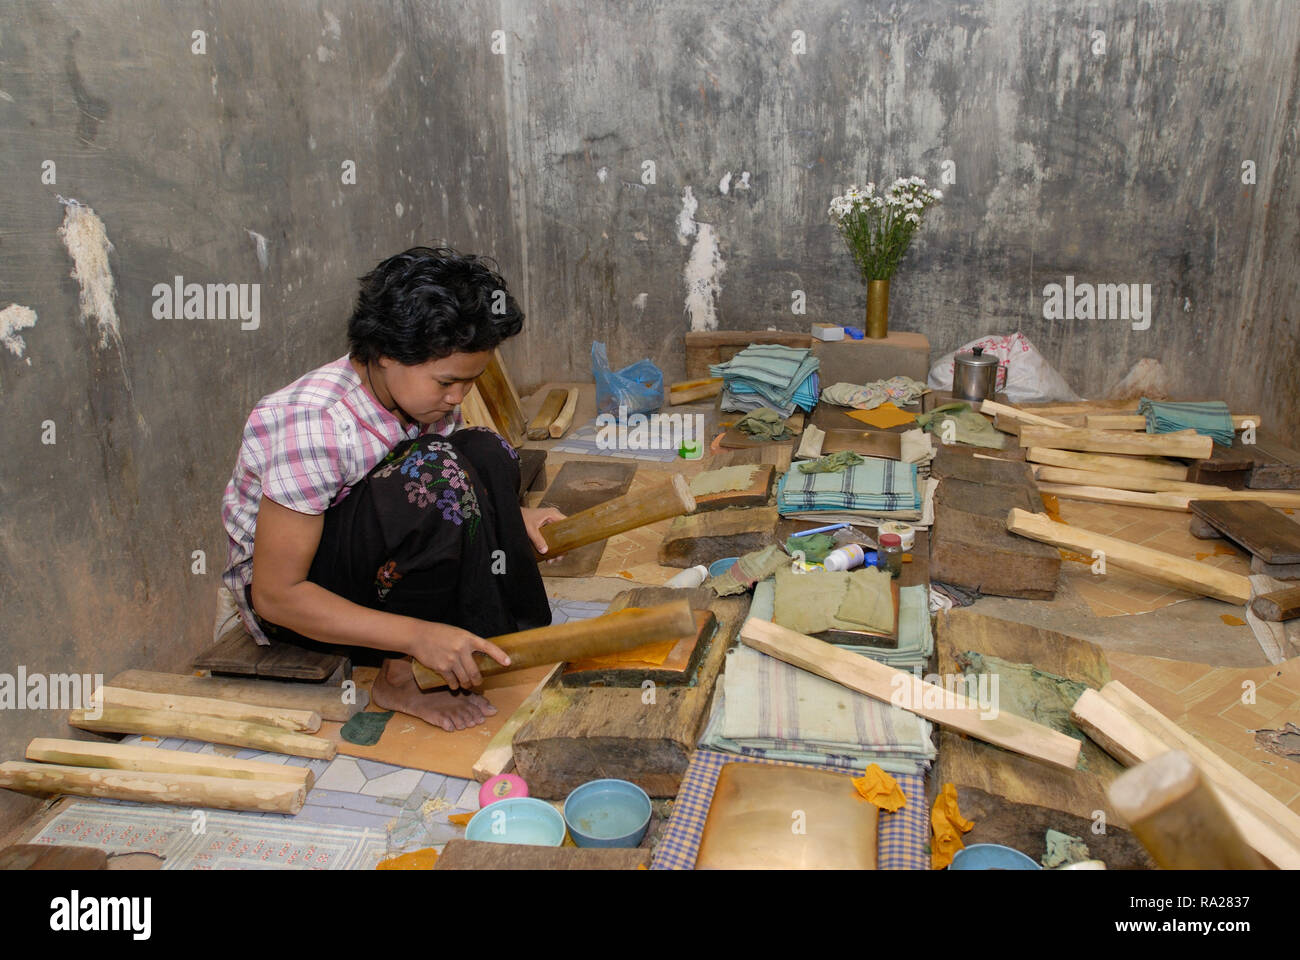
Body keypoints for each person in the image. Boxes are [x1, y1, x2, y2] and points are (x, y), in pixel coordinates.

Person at [220, 247, 563, 731]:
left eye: (469, 383)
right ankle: (399, 678)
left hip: (370, 560)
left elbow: (463, 467)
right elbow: (276, 596)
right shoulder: (314, 423)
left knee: (485, 448)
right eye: (447, 382)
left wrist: (509, 515)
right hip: (301, 604)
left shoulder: (422, 396)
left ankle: (493, 636)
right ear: (384, 353)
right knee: (434, 478)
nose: (457, 397)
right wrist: (416, 636)